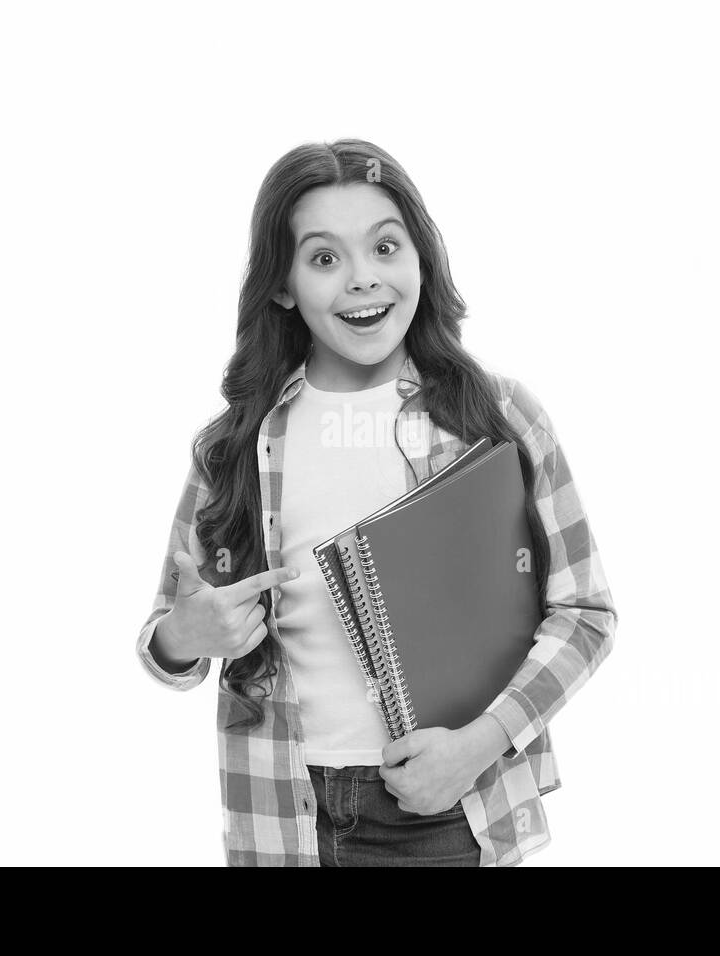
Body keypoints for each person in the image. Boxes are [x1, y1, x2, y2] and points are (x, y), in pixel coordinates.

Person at [136, 139, 617, 866]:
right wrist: (185, 634)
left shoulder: (496, 417)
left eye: (386, 247)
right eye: (325, 258)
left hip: (442, 807)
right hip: (277, 811)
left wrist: (480, 745)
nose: (364, 280)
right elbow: (164, 645)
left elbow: (585, 614)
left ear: (421, 258)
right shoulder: (237, 445)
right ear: (283, 284)